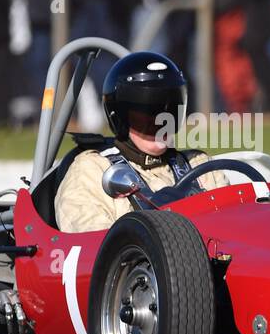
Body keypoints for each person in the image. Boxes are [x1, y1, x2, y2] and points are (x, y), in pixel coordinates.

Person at [53, 51, 229, 234]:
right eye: (146, 117)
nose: (161, 127)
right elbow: (93, 245)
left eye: (168, 116)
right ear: (119, 118)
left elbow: (236, 227)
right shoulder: (92, 169)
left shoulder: (200, 166)